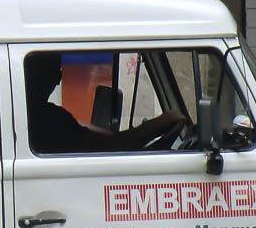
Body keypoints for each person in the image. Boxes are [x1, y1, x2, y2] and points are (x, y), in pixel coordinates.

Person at [24, 51, 186, 154]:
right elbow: (112, 146)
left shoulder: (39, 115)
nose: (57, 82)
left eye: (58, 75)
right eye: (53, 74)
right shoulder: (46, 119)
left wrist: (113, 134)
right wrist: (159, 124)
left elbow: (85, 131)